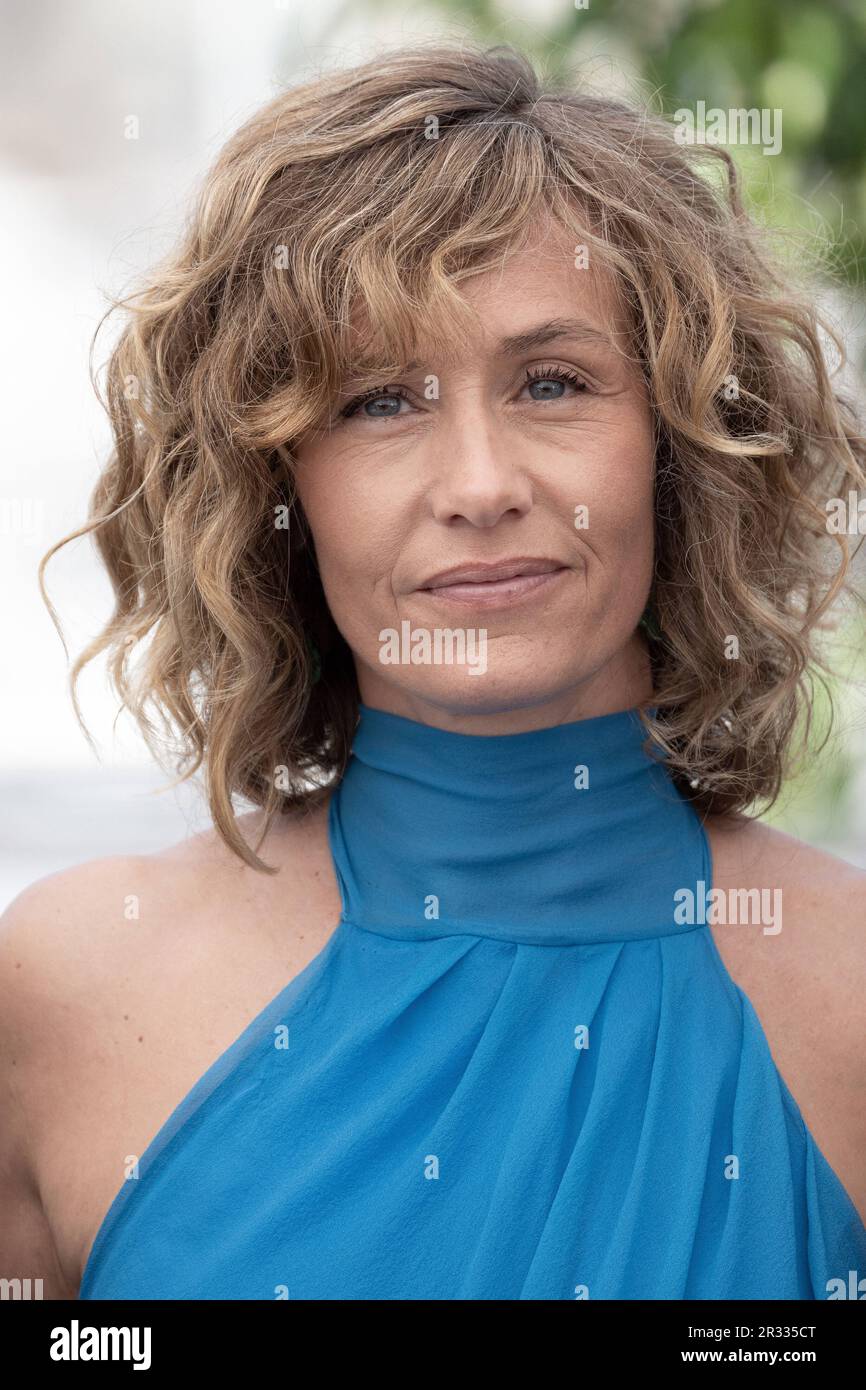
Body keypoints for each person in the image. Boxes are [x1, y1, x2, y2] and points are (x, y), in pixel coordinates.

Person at [2, 42, 865, 1301]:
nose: (478, 486)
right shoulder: (64, 990)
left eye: (553, 382)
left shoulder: (847, 991)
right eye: (375, 403)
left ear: (680, 442)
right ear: (270, 486)